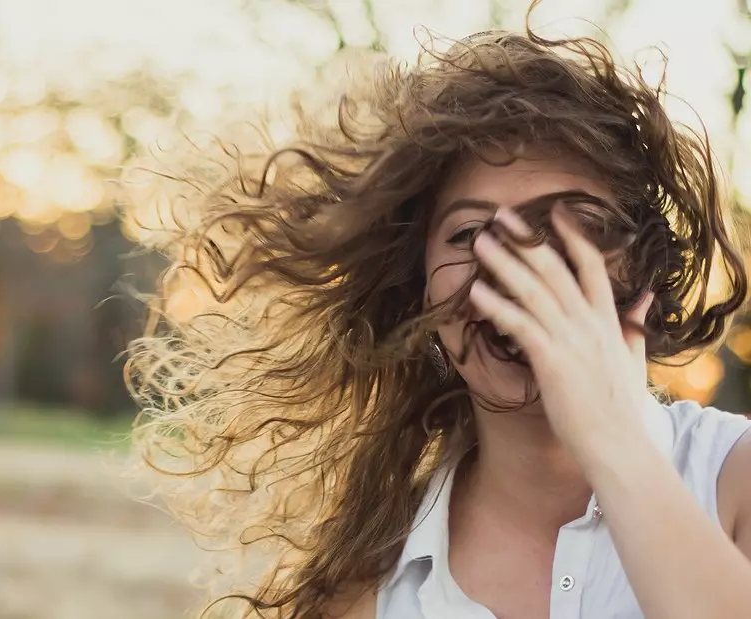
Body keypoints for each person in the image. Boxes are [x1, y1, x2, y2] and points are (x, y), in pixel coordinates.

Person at [124, 8, 751, 619]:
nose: (515, 269)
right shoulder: (366, 588)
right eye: (469, 232)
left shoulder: (735, 481)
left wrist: (611, 439)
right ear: (418, 286)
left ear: (639, 265)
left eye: (573, 224)